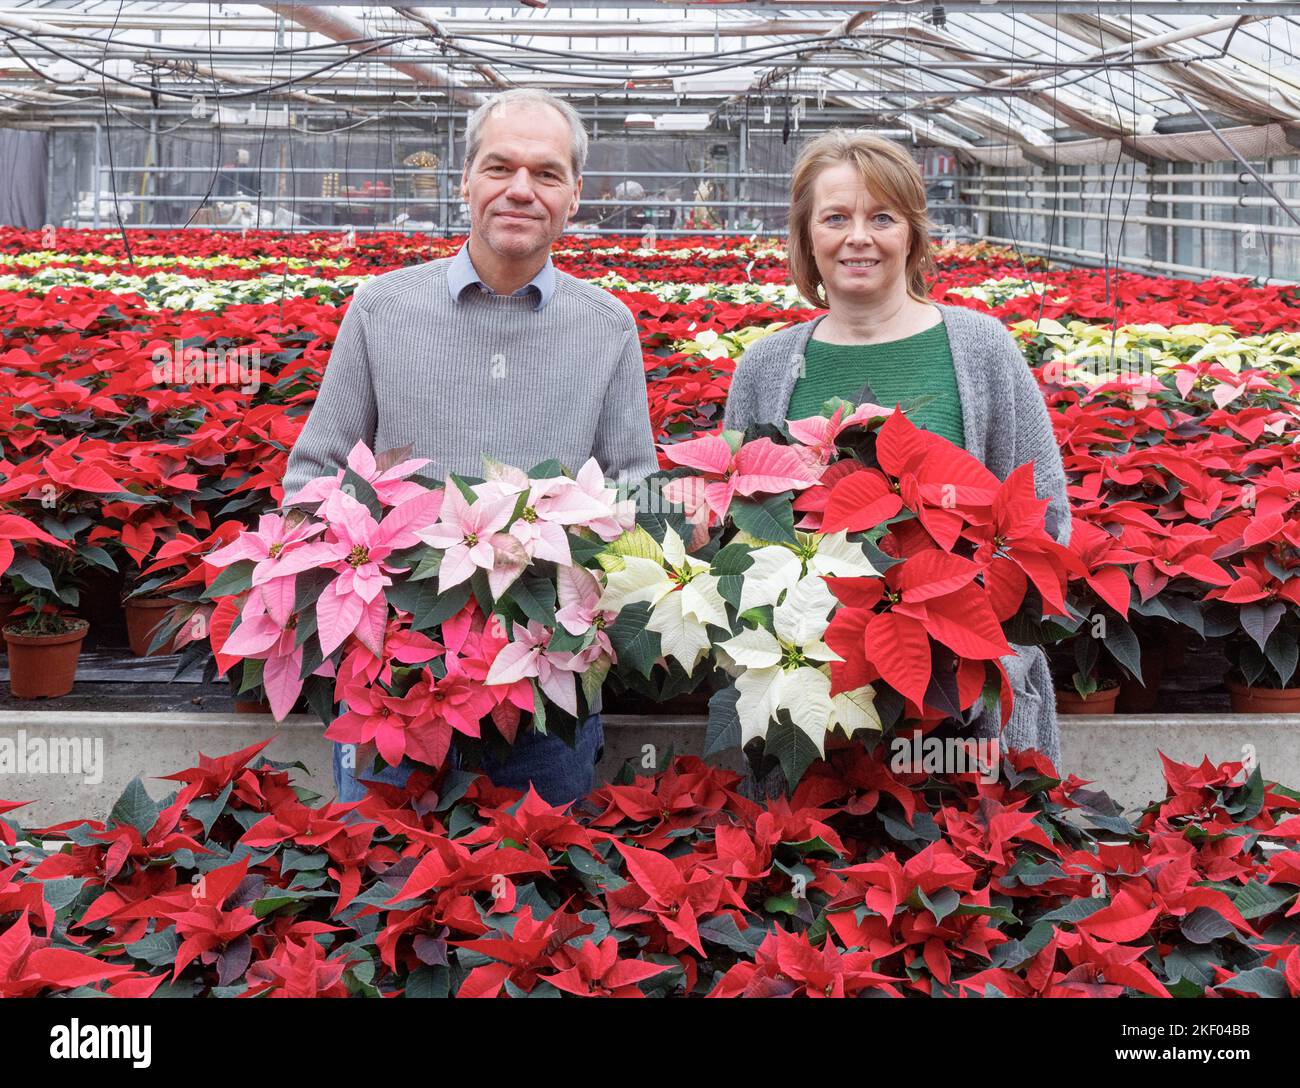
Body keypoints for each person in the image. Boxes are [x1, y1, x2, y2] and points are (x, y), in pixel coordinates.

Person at [280, 88, 659, 805]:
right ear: (465, 182)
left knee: (538, 893)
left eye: (547, 174)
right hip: (399, 676)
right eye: (499, 168)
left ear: (575, 195)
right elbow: (313, 473)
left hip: (546, 682)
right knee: (383, 889)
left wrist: (574, 583)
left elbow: (635, 487)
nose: (521, 190)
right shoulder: (381, 308)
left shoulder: (606, 326)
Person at [722, 129, 1071, 769]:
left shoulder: (982, 349)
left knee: (959, 861)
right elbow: (733, 523)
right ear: (807, 239)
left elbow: (1044, 514)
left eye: (882, 217)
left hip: (958, 706)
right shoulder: (766, 367)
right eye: (835, 218)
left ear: (911, 234)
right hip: (806, 703)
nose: (859, 237)